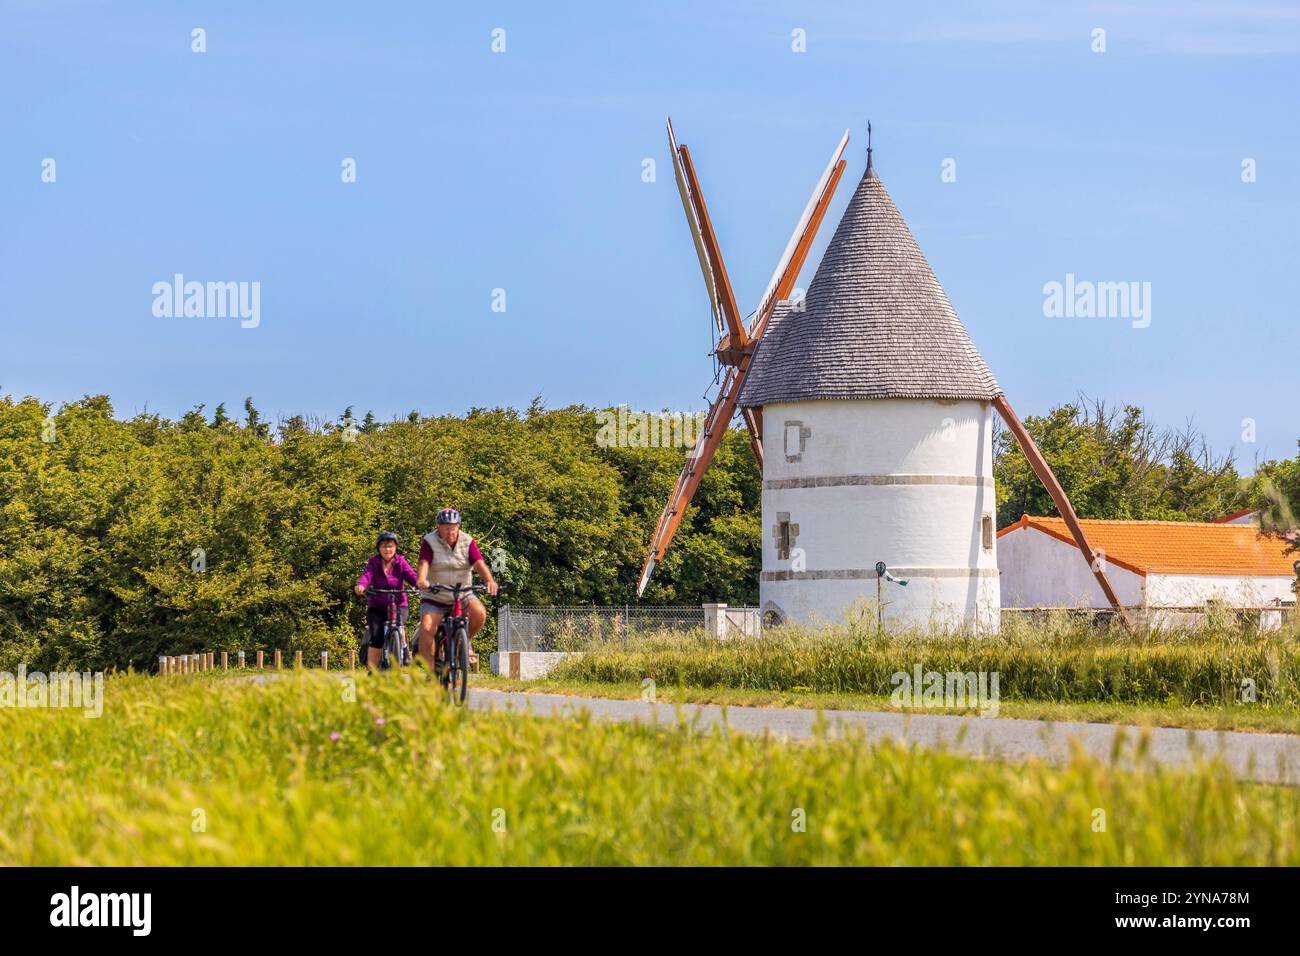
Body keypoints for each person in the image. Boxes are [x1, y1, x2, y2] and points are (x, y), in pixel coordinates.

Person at [415, 507, 498, 669]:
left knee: (479, 613)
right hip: (436, 595)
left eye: (453, 527)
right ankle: (431, 673)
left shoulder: (467, 541)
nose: (449, 531)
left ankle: (465, 641)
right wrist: (422, 579)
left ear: (459, 526)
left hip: (462, 593)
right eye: (445, 527)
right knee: (426, 629)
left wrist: (489, 581)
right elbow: (424, 562)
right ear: (438, 527)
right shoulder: (429, 541)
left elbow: (479, 563)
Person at [354, 531, 419, 671]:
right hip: (377, 606)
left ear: (395, 547)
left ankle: (404, 649)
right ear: (378, 548)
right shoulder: (373, 562)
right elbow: (367, 575)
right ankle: (372, 671)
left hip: (399, 603)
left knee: (399, 624)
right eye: (384, 546)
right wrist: (361, 586)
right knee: (376, 637)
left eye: (390, 546)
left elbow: (412, 576)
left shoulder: (401, 561)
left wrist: (420, 584)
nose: (387, 549)